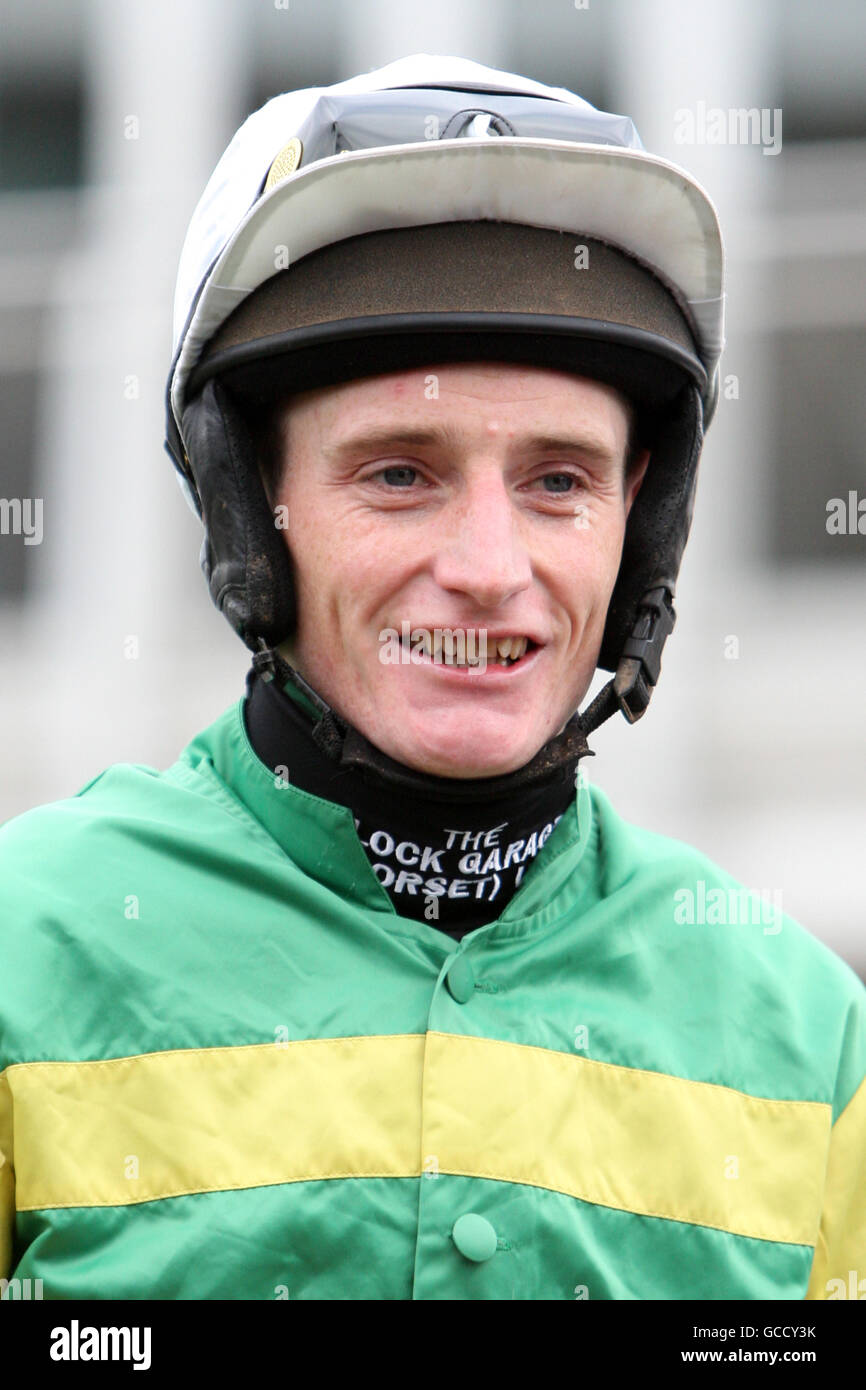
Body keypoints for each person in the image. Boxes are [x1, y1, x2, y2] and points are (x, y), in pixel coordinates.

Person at [1, 54, 863, 1302]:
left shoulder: (808, 1033)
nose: (486, 568)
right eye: (398, 472)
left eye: (557, 482)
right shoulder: (24, 950)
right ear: (258, 502)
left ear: (636, 523)